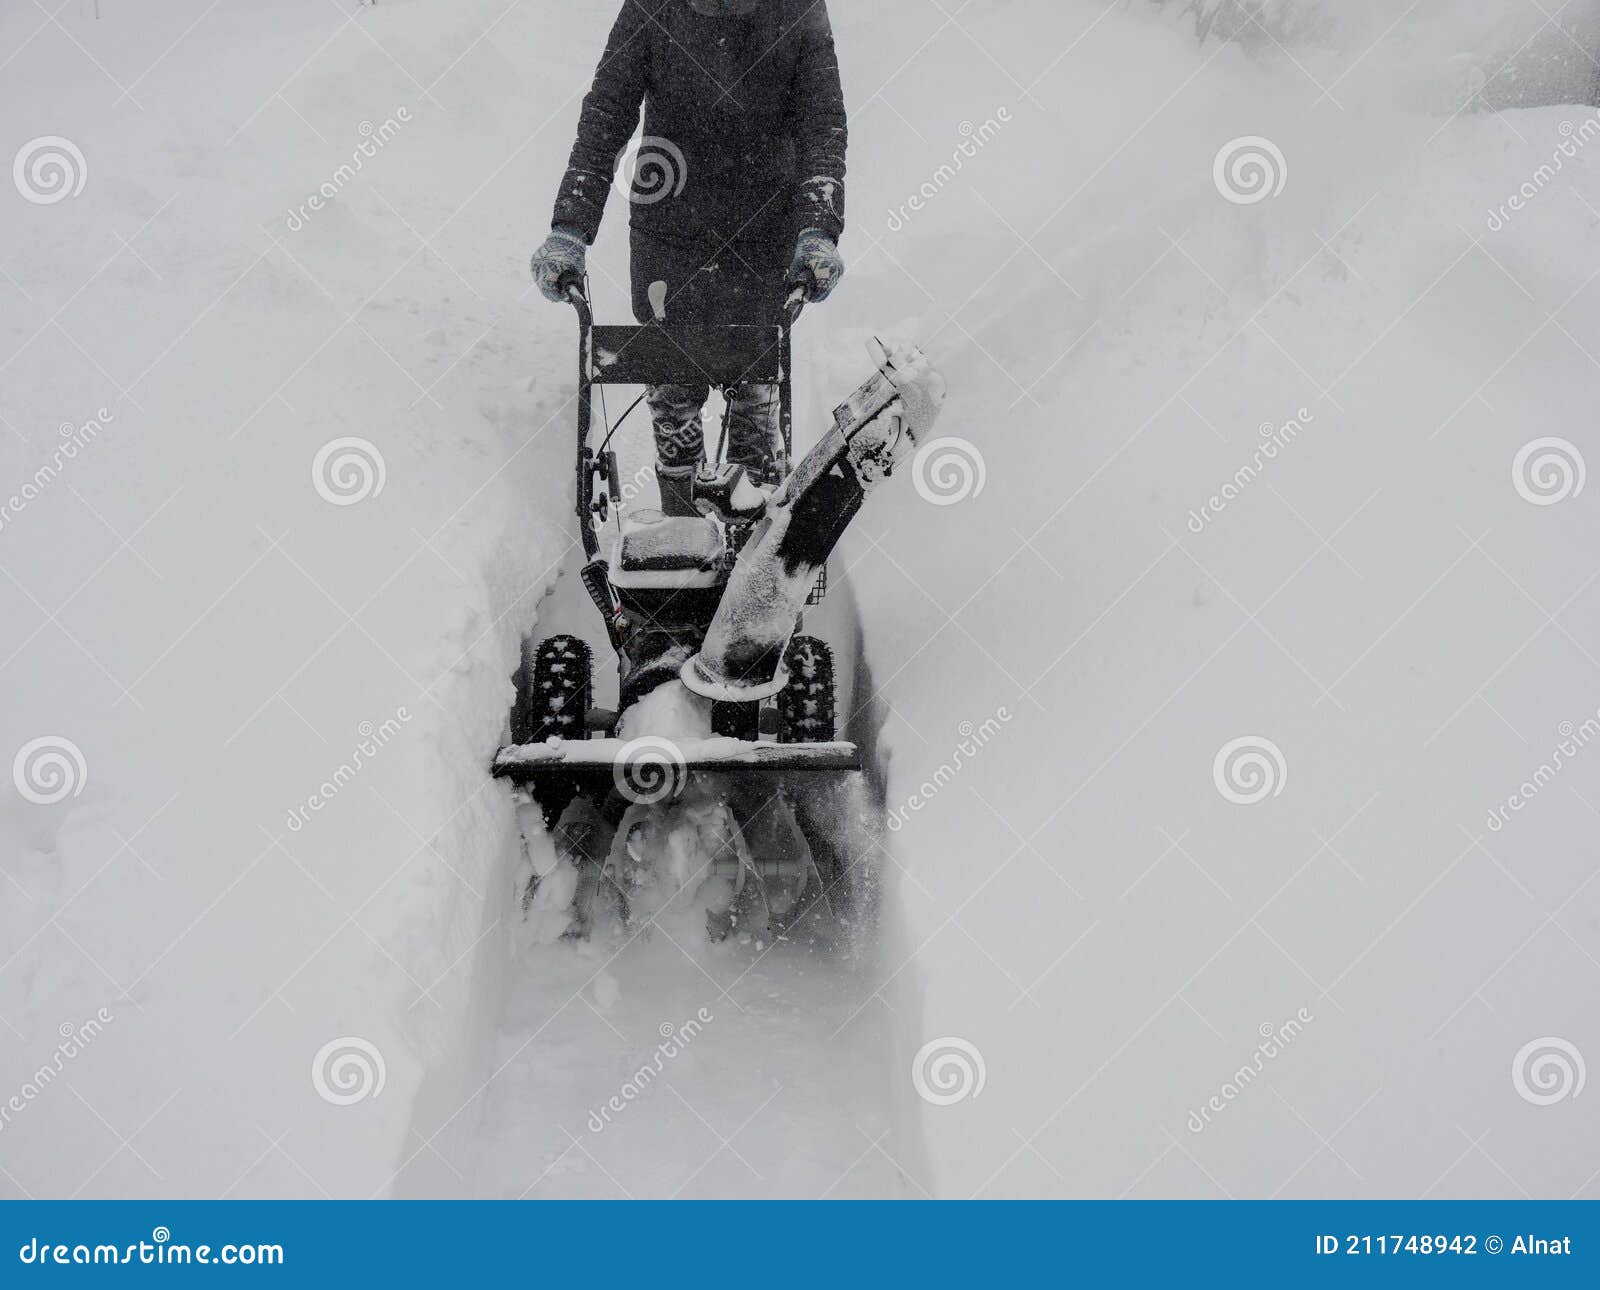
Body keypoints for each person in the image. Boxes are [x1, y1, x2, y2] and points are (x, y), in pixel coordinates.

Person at [530, 0, 848, 515]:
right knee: (673, 389)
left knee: (754, 397)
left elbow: (822, 122)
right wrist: (570, 228)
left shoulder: (798, 9)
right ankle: (682, 530)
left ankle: (755, 543)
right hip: (669, 230)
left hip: (764, 228)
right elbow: (607, 113)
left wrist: (817, 229)